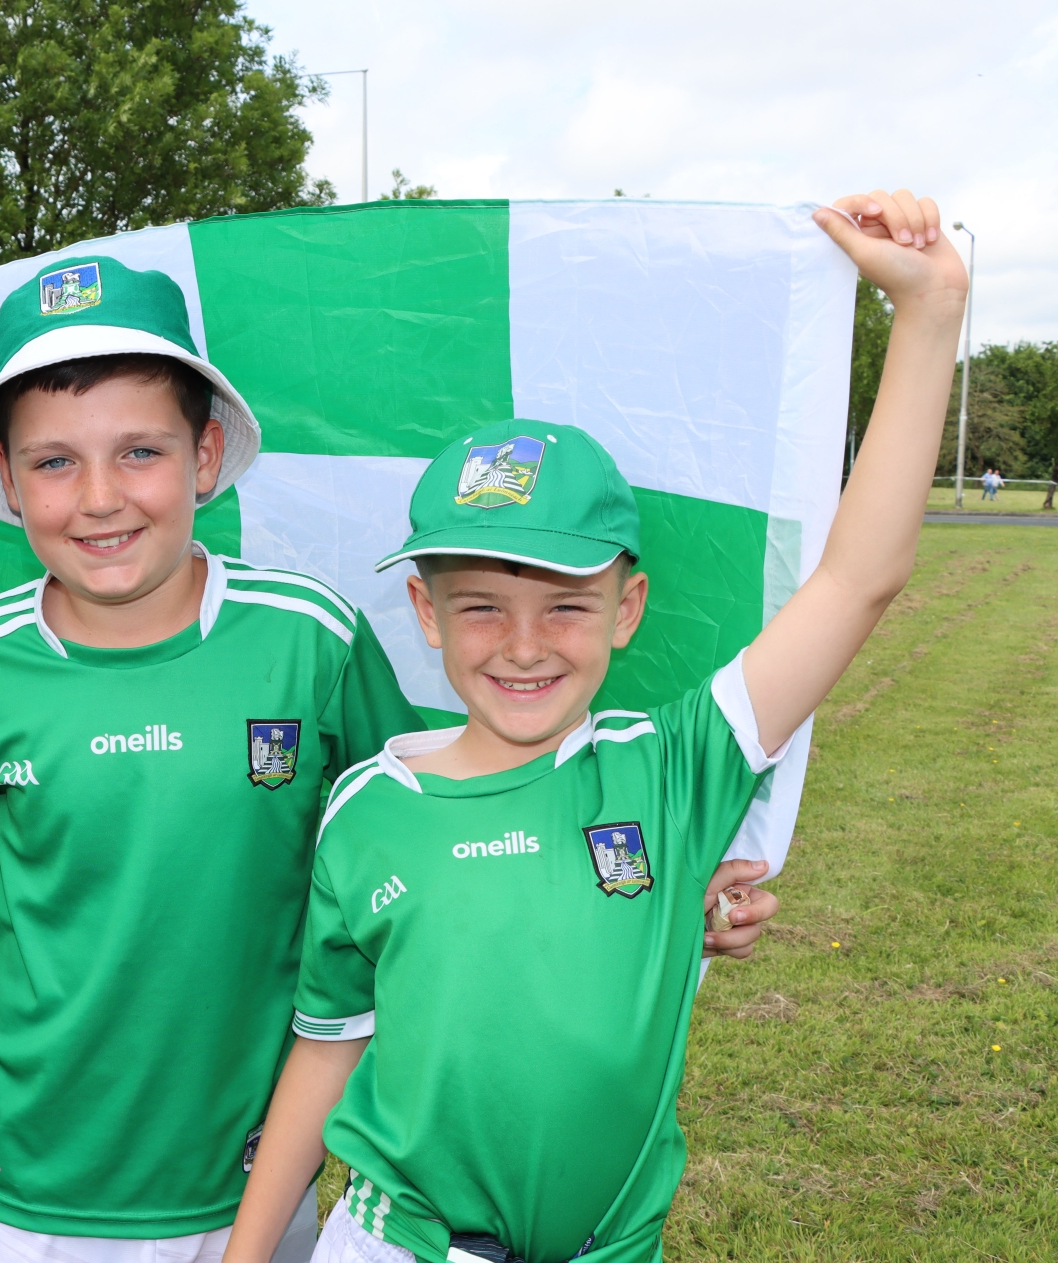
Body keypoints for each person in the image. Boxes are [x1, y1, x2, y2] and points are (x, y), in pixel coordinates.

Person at [0, 258, 777, 1263]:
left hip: (250, 1163)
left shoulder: (311, 639)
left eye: (140, 451)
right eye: (53, 462)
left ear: (206, 454)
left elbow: (452, 810)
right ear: (5, 478)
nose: (99, 497)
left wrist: (660, 896)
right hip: (27, 1168)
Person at [223, 188, 965, 1263]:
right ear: (425, 614)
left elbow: (858, 579)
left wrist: (933, 306)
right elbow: (327, 1050)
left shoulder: (671, 768)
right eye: (481, 605)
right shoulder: (367, 811)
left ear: (627, 610)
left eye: (566, 603)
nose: (524, 645)